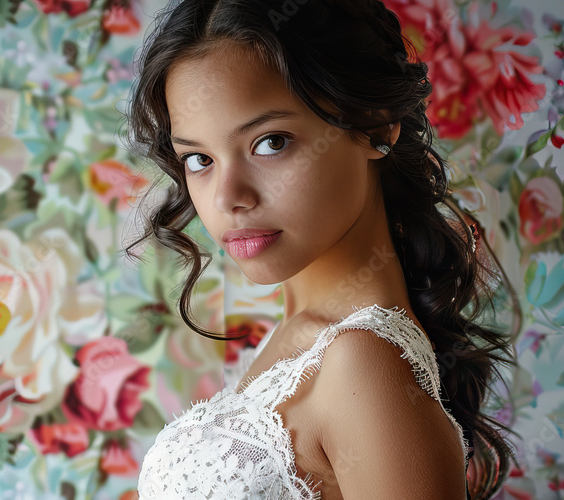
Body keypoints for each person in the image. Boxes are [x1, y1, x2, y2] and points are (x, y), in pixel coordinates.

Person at [119, 0, 521, 498]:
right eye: (199, 158)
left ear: (375, 127)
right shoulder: (304, 340)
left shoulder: (364, 363)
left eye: (270, 143)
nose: (227, 199)